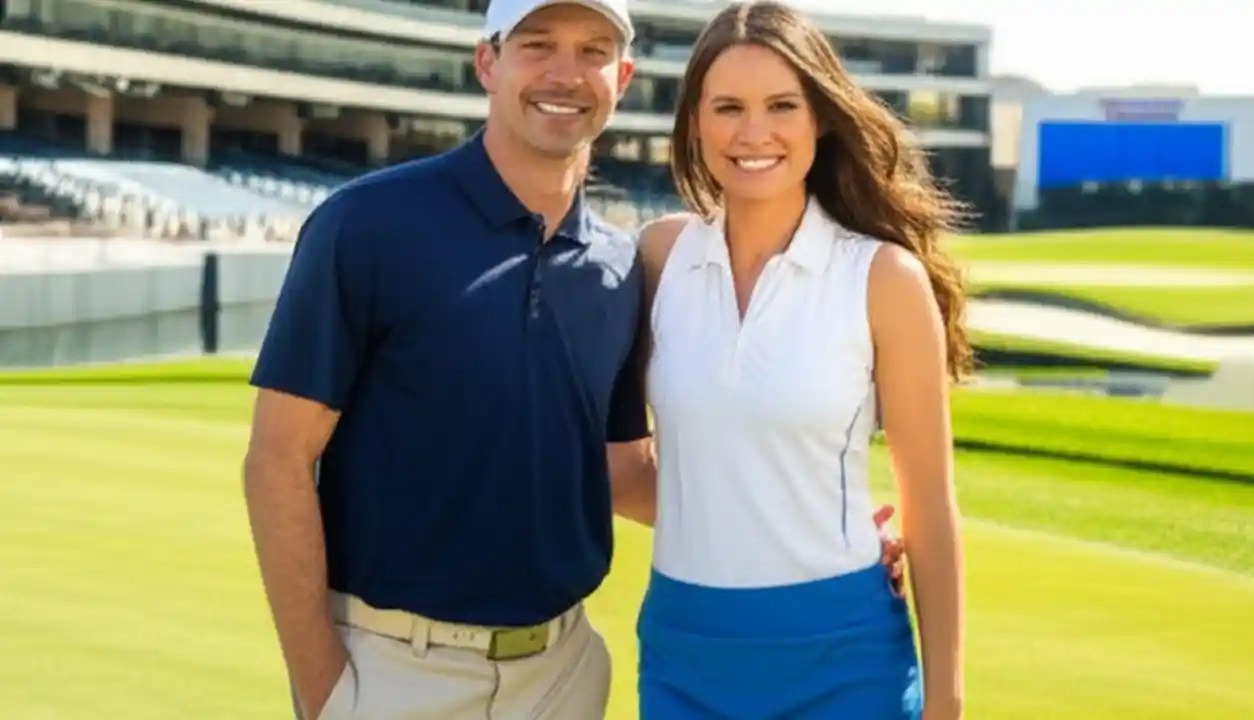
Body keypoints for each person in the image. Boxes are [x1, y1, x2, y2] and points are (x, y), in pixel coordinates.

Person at [241, 0, 904, 717]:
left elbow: (625, 473)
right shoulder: (366, 225)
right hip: (397, 670)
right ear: (487, 62)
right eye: (537, 45)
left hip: (564, 675)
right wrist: (324, 689)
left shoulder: (623, 269)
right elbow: (277, 459)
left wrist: (826, 530)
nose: (566, 73)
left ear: (621, 76)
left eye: (593, 50)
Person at [632, 2, 967, 719]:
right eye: (728, 107)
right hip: (684, 652)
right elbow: (623, 467)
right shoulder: (658, 258)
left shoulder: (883, 280)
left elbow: (930, 508)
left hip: (841, 659)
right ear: (694, 121)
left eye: (782, 105)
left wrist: (947, 702)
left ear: (819, 116)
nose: (754, 133)